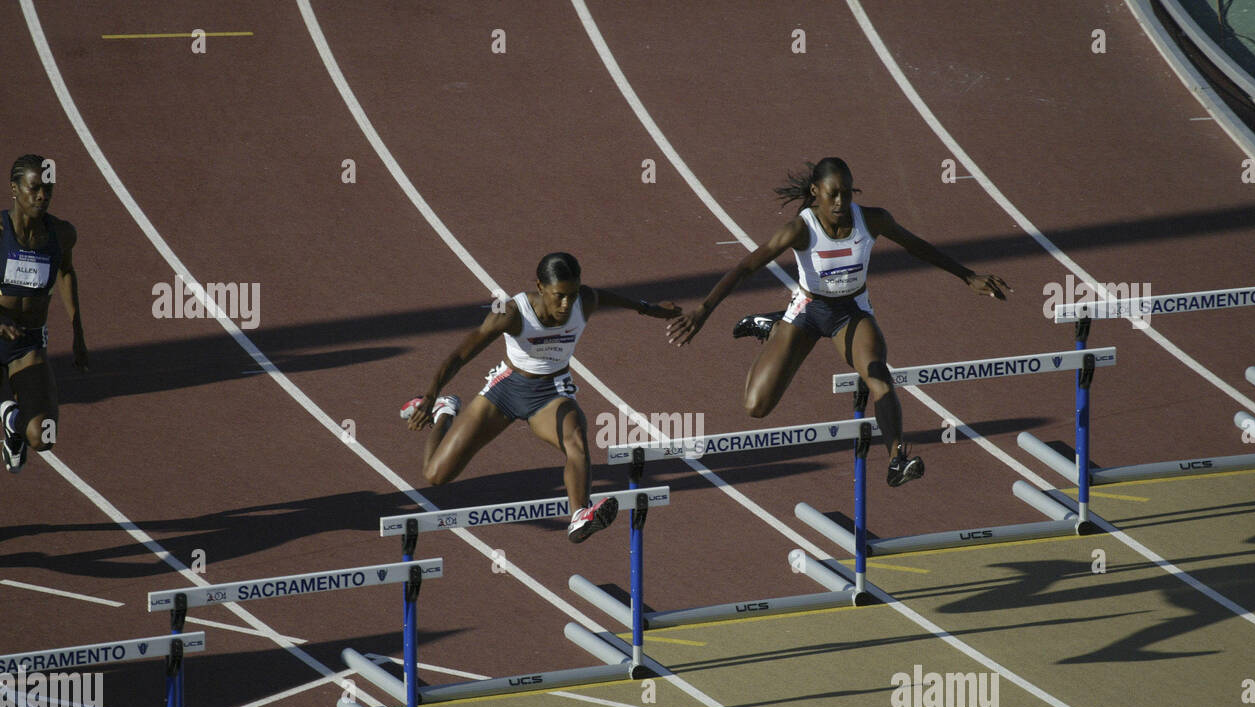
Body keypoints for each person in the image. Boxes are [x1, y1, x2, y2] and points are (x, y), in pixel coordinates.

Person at [667, 156, 1011, 486]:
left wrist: (968, 276)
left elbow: (916, 246)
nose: (841, 201)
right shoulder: (800, 229)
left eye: (847, 193)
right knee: (756, 407)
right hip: (807, 311)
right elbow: (745, 267)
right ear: (816, 191)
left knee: (878, 375)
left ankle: (897, 460)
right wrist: (703, 310)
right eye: (833, 194)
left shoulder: (871, 220)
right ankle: (775, 327)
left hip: (852, 312)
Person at [402, 252, 680, 543]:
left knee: (576, 438)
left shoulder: (583, 301)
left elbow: (608, 297)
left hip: (551, 393)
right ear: (540, 286)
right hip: (505, 390)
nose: (565, 305)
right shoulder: (512, 313)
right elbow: (460, 354)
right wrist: (432, 396)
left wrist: (649, 309)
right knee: (435, 475)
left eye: (571, 295)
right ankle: (446, 411)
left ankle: (579, 515)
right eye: (559, 296)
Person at [1, 154, 86, 473]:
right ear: (14, 188)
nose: (42, 196)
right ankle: (7, 411)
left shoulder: (62, 234)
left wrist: (78, 331)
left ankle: (14, 423)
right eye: (34, 188)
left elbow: (66, 272)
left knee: (43, 436)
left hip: (28, 343)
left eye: (48, 190)